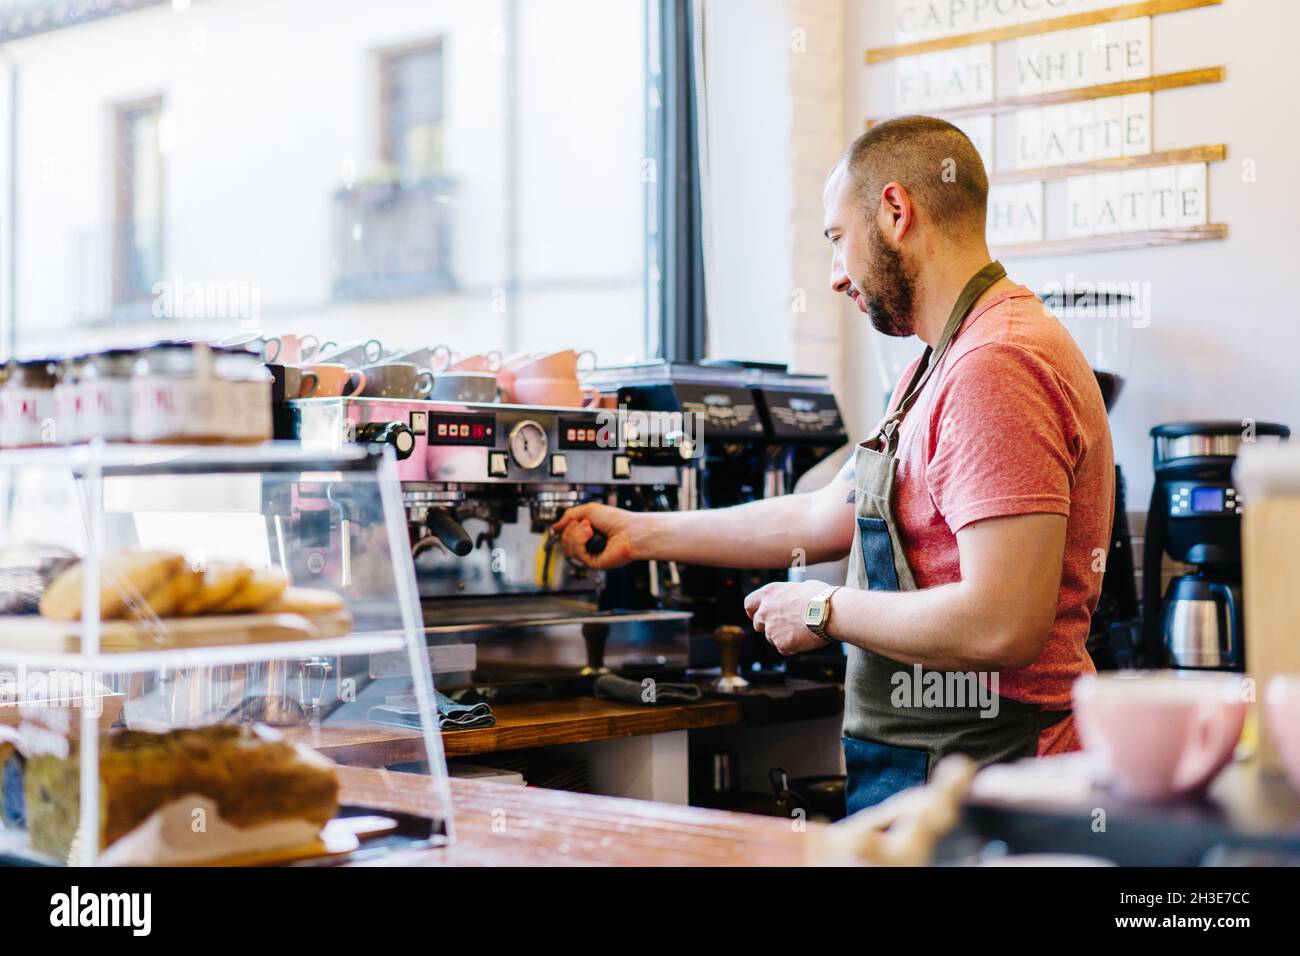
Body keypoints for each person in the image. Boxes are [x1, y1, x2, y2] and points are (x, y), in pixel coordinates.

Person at [553, 115, 1114, 813]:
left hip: (994, 776)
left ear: (895, 210)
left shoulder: (994, 364)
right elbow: (822, 514)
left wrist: (822, 608)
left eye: (836, 239)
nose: (833, 276)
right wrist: (642, 533)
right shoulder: (933, 365)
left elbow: (1002, 622)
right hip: (938, 765)